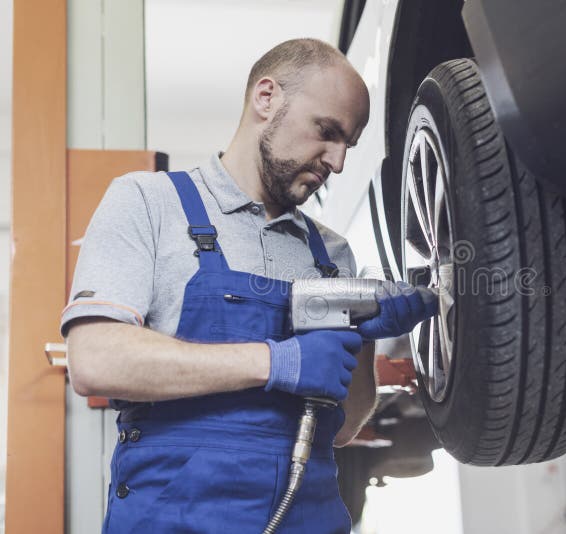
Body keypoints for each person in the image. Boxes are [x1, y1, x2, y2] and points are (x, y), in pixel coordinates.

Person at [61, 38, 437, 533]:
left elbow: (342, 427)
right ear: (267, 97)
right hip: (175, 517)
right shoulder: (148, 202)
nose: (338, 161)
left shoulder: (333, 255)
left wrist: (362, 331)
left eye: (348, 144)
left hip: (309, 516)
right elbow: (93, 359)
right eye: (327, 131)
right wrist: (275, 362)